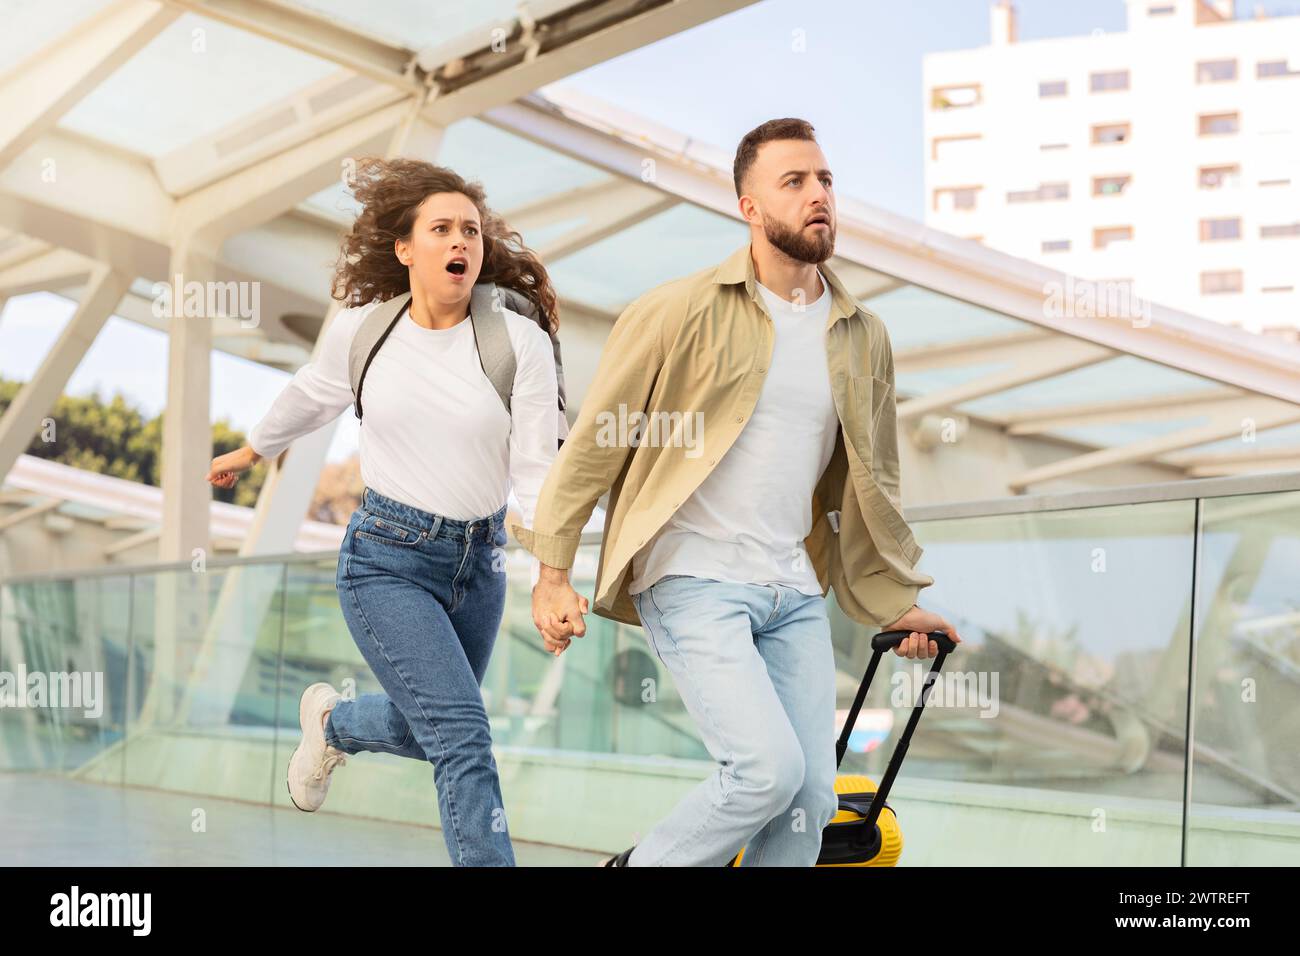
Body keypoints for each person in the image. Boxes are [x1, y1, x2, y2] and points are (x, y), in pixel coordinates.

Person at [514, 118, 962, 867]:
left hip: (792, 587)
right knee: (765, 772)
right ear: (750, 209)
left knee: (812, 800)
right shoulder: (676, 311)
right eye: (794, 182)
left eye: (824, 180)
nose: (818, 195)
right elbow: (596, 443)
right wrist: (552, 570)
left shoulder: (863, 336)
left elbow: (872, 486)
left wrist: (894, 601)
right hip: (690, 575)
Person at [205, 158, 560, 867]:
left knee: (427, 727)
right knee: (463, 737)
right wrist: (252, 450)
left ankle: (333, 725)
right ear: (406, 249)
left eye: (471, 230)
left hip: (481, 565)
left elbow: (536, 470)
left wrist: (552, 572)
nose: (461, 241)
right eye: (442, 228)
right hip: (385, 561)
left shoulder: (515, 341)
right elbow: (312, 393)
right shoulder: (366, 331)